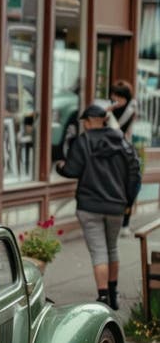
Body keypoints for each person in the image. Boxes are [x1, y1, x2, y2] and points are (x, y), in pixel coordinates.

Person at [55, 102, 141, 310]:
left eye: (85, 121)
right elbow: (134, 172)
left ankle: (103, 297)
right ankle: (113, 293)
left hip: (89, 205)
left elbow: (72, 169)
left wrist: (60, 168)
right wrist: (128, 201)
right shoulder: (122, 142)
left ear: (91, 121)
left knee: (99, 251)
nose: (84, 125)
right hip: (116, 206)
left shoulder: (83, 142)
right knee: (112, 248)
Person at [108, 80, 139, 235]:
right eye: (114, 96)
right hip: (110, 154)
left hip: (126, 154)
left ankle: (125, 223)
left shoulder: (131, 109)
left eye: (119, 97)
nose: (115, 100)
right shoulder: (109, 110)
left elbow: (120, 131)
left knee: (131, 187)